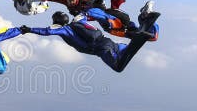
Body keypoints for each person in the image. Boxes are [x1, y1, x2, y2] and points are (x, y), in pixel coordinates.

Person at [19, 8, 160, 73]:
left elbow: (47, 31)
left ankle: (139, 38)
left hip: (102, 49)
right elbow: (94, 11)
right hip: (110, 43)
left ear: (56, 21)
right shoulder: (80, 19)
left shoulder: (65, 29)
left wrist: (29, 29)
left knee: (118, 67)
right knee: (128, 50)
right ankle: (145, 19)